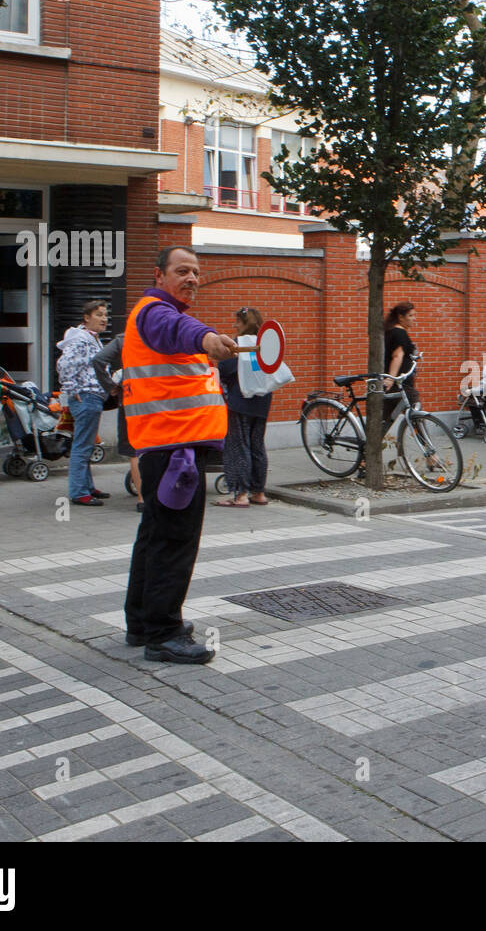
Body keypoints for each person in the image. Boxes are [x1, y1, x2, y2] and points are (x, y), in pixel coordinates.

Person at [123, 246, 233, 665]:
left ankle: (142, 624)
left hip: (167, 448)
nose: (192, 278)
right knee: (174, 541)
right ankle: (164, 634)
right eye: (182, 271)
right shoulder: (156, 311)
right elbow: (178, 329)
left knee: (154, 536)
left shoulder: (159, 315)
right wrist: (206, 338)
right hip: (175, 454)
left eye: (197, 272)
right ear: (159, 275)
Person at [216, 307, 273, 507]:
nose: (234, 325)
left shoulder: (238, 345)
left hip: (240, 402)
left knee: (238, 446)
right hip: (262, 401)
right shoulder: (266, 345)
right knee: (257, 445)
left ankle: (240, 495)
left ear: (244, 323)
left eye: (237, 322)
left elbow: (225, 369)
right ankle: (259, 492)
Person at [57, 300, 111, 507]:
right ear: (86, 318)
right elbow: (64, 364)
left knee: (86, 445)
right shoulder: (81, 339)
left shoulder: (91, 338)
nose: (104, 319)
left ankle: (87, 486)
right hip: (86, 397)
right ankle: (79, 492)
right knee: (82, 446)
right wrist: (72, 389)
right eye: (99, 315)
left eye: (105, 315)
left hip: (92, 397)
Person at [92, 331, 142, 513]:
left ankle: (142, 498)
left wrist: (110, 386)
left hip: (130, 399)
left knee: (134, 451)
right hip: (157, 399)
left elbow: (98, 360)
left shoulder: (124, 339)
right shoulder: (160, 336)